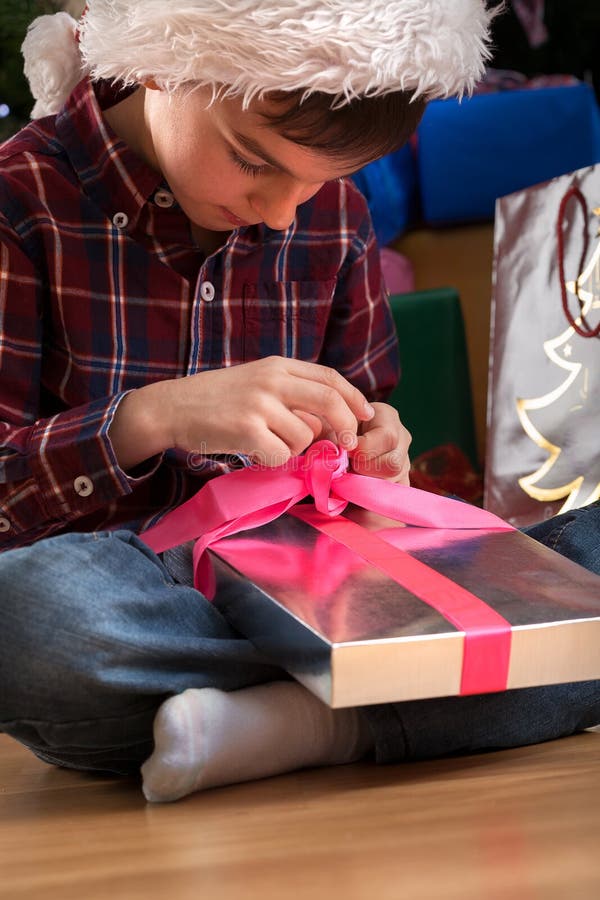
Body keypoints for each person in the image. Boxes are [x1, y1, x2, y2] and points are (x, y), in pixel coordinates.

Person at [0, 0, 598, 804]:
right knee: (28, 619)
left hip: (318, 588)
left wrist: (377, 455)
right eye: (254, 161)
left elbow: (362, 472)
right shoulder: (20, 199)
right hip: (143, 608)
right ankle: (395, 706)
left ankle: (301, 725)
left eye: (326, 180)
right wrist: (154, 416)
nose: (285, 211)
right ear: (158, 58)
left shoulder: (332, 216)